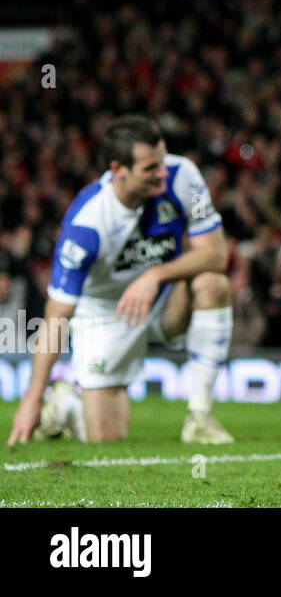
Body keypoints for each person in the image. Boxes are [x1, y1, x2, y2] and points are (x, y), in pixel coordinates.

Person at [7, 115, 235, 445]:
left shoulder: (183, 175)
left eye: (162, 160)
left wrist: (155, 275)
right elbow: (56, 317)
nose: (161, 173)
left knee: (213, 283)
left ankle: (199, 417)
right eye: (149, 168)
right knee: (106, 440)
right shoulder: (87, 224)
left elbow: (216, 255)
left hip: (161, 298)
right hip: (104, 314)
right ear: (119, 170)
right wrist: (31, 399)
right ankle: (66, 405)